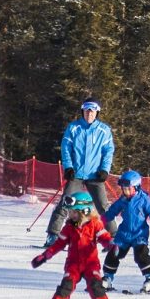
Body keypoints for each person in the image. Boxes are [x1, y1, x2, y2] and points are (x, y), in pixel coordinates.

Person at [32, 189, 113, 299]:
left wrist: (112, 246)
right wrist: (45, 256)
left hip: (91, 264)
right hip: (73, 264)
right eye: (70, 212)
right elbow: (58, 244)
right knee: (65, 287)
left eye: (74, 212)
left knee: (96, 287)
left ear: (85, 211)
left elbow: (104, 238)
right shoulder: (69, 227)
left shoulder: (95, 224)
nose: (71, 215)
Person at [46, 99, 114, 241]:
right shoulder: (73, 128)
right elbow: (66, 148)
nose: (89, 113)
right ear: (82, 111)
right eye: (87, 110)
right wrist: (68, 167)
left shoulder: (104, 130)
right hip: (76, 173)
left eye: (92, 111)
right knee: (66, 202)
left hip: (95, 174)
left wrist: (104, 169)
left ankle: (115, 237)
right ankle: (52, 235)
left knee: (103, 206)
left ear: (97, 112)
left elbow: (108, 152)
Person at [100, 170, 150, 293]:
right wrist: (103, 220)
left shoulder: (144, 199)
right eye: (124, 189)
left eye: (128, 189)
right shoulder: (123, 199)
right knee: (114, 253)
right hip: (123, 234)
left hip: (139, 234)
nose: (125, 192)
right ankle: (107, 278)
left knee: (141, 255)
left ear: (136, 187)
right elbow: (113, 210)